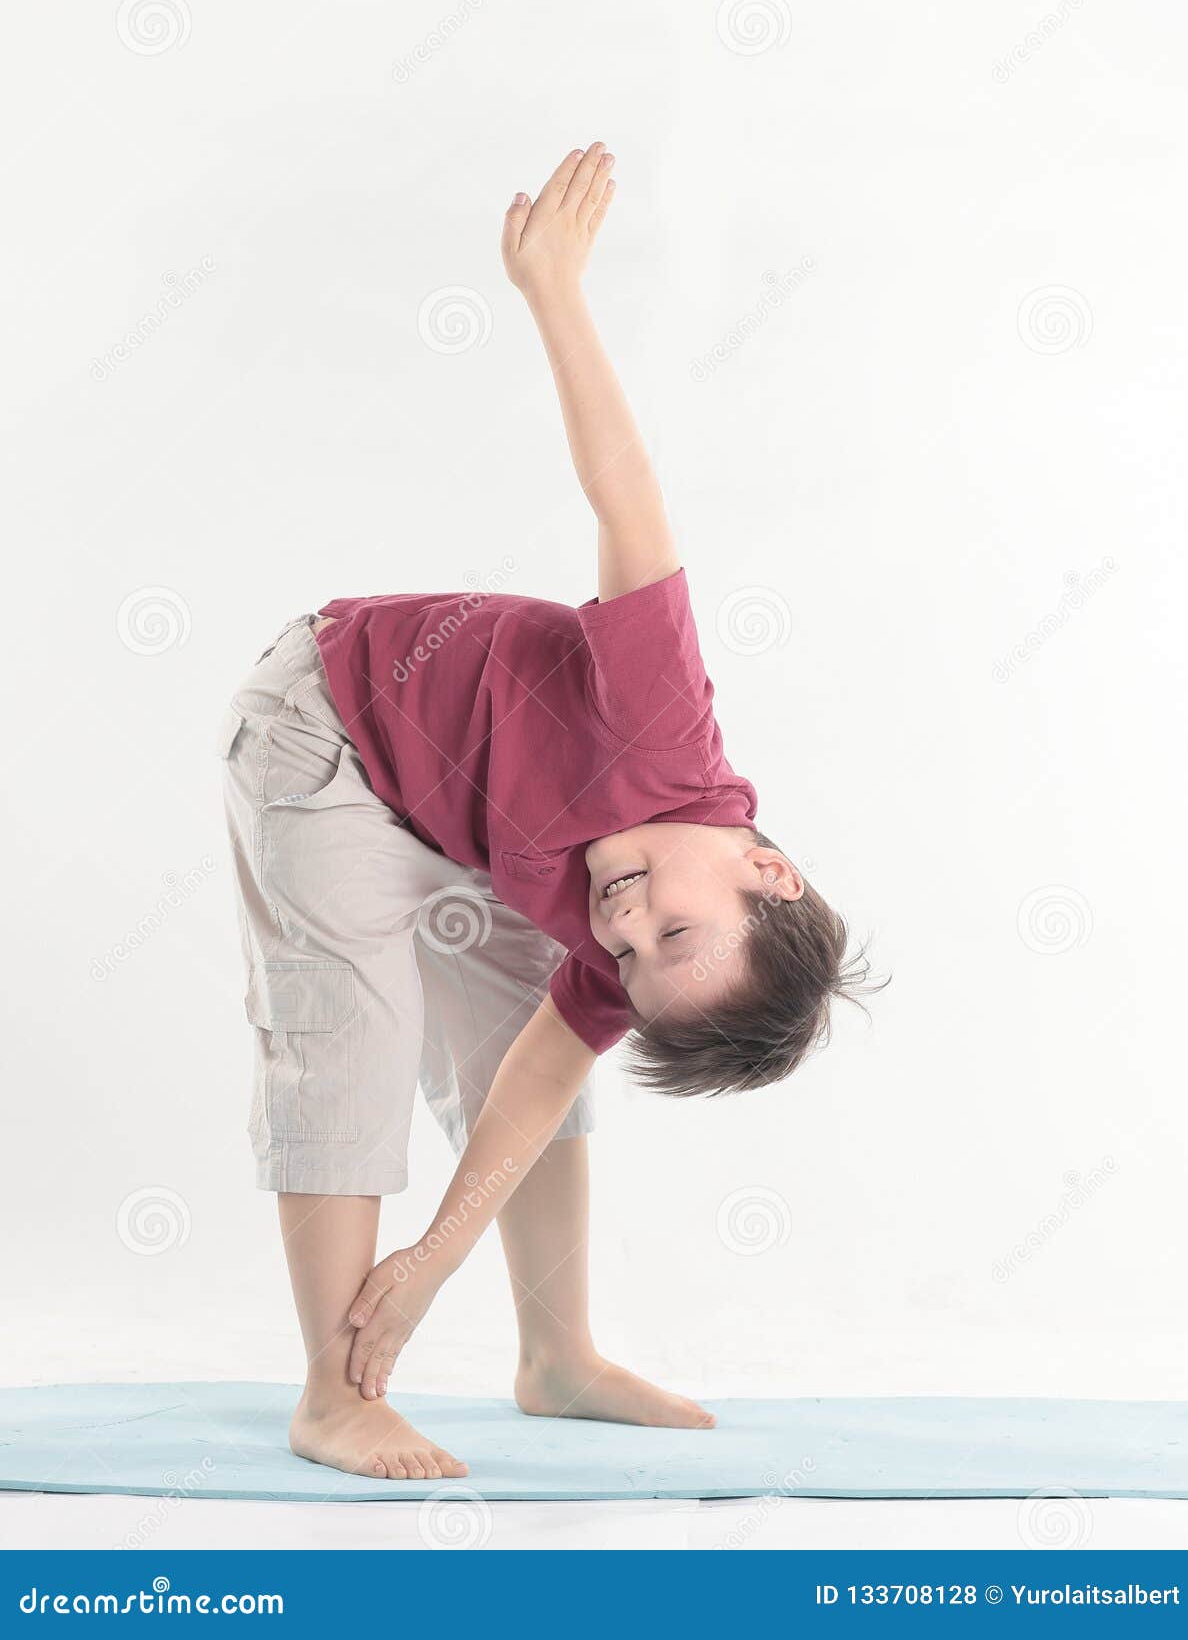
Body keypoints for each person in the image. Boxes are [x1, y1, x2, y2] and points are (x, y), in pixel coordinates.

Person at [218, 142, 868, 1480]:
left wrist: (432, 1260)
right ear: (765, 868)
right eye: (669, 931)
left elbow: (527, 1085)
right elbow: (626, 497)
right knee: (351, 1034)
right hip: (329, 735)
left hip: (458, 825)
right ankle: (333, 1395)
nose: (620, 929)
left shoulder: (611, 930)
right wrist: (555, 292)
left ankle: (554, 1354)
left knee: (523, 1056)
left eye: (629, 959)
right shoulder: (663, 729)